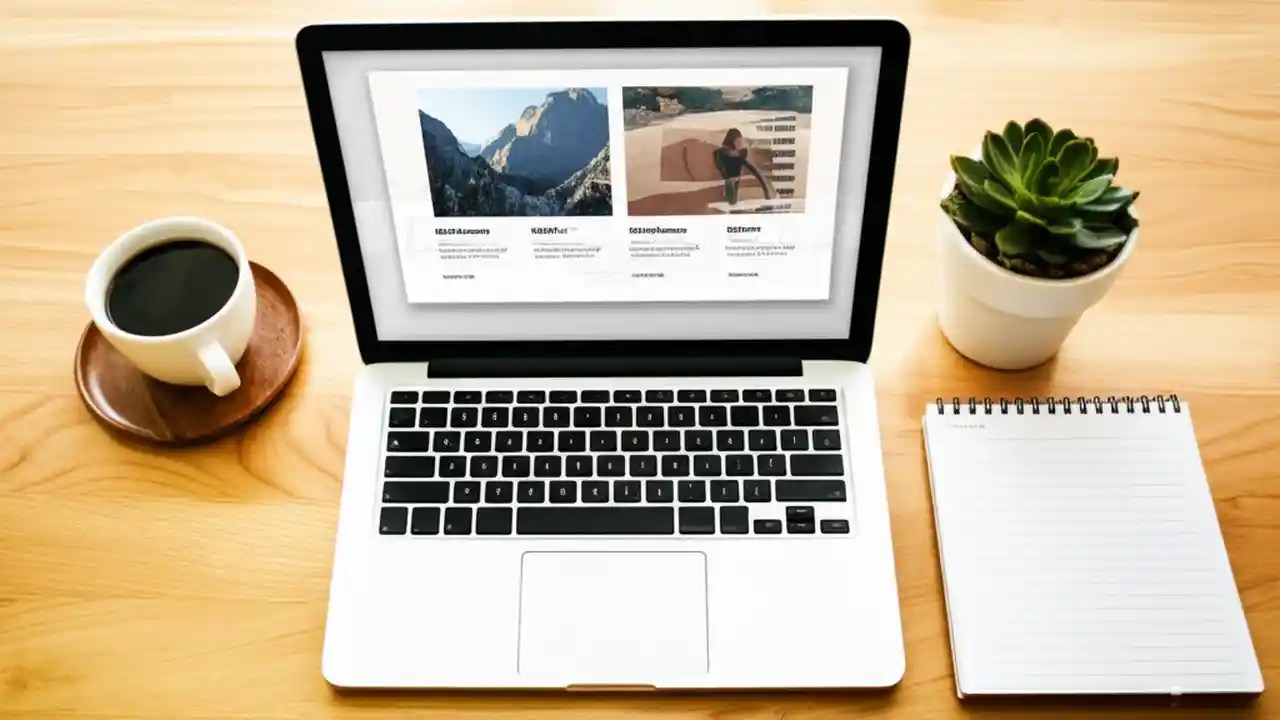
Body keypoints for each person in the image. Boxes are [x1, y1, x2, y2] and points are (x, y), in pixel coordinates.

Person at [713, 128, 749, 205]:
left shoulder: (739, 155)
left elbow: (743, 152)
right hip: (728, 177)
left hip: (732, 177)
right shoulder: (721, 153)